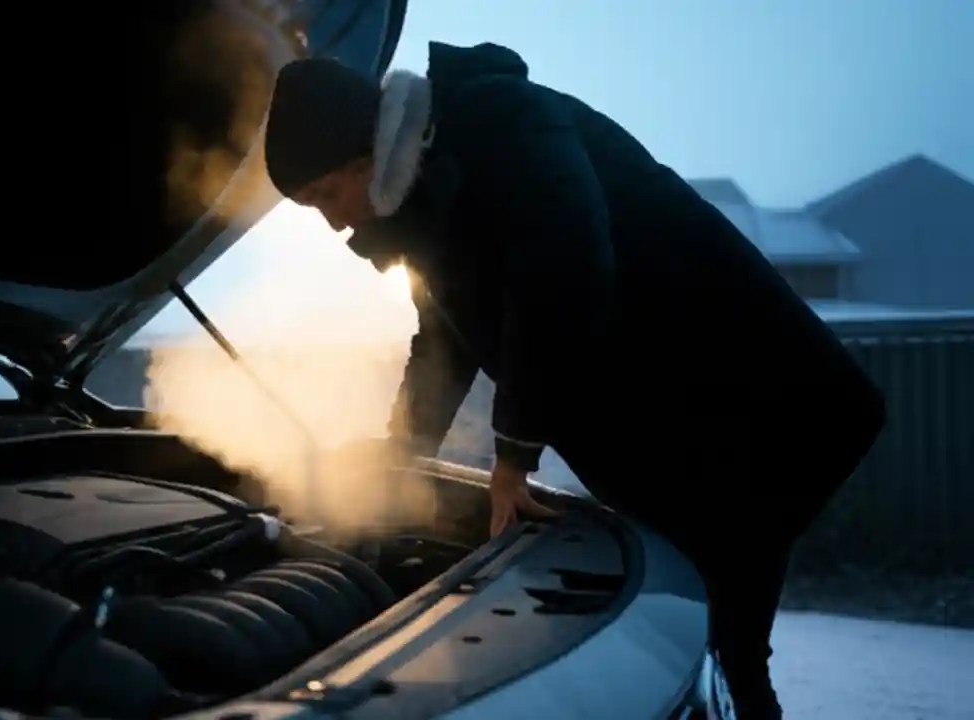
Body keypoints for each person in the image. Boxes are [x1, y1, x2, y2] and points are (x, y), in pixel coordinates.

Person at [262, 41, 885, 719]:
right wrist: (404, 450)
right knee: (713, 641)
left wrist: (513, 454)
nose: (334, 222)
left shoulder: (503, 123)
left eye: (327, 195)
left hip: (759, 408)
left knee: (726, 645)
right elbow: (444, 335)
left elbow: (565, 271)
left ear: (366, 155)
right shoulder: (432, 193)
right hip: (690, 425)